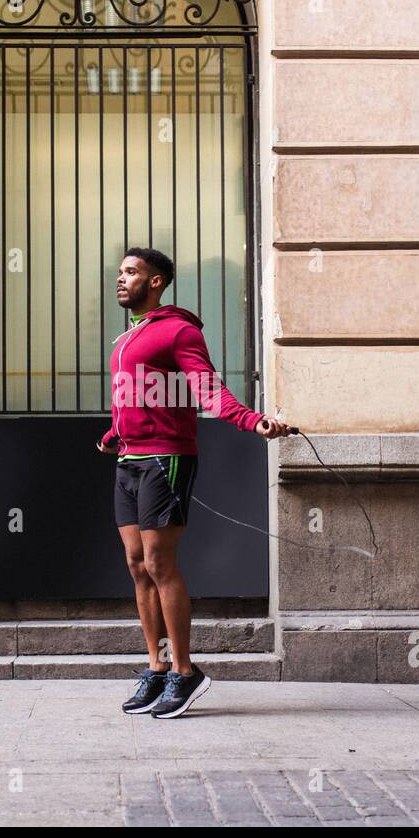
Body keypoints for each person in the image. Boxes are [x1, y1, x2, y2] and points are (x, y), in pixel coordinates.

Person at [97, 248, 290, 718]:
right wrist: (114, 434)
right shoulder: (129, 336)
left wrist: (251, 420)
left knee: (161, 564)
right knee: (136, 565)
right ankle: (158, 667)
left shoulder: (179, 331)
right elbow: (136, 396)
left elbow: (205, 387)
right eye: (120, 272)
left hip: (167, 459)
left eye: (131, 272)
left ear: (157, 281)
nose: (120, 280)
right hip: (129, 461)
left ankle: (186, 672)